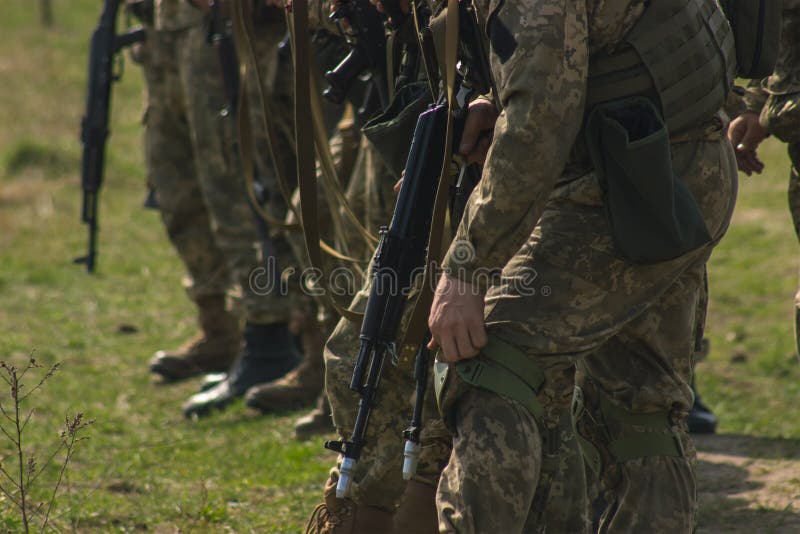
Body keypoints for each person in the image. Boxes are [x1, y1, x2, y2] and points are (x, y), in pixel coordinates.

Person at [427, 0, 738, 531]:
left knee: (491, 361)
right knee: (641, 413)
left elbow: (538, 124)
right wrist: (494, 95)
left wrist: (468, 268)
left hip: (631, 184)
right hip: (676, 167)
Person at [132, 0, 300, 411]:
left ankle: (271, 338)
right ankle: (225, 330)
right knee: (181, 188)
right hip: (167, 24)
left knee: (233, 185)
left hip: (220, 22)